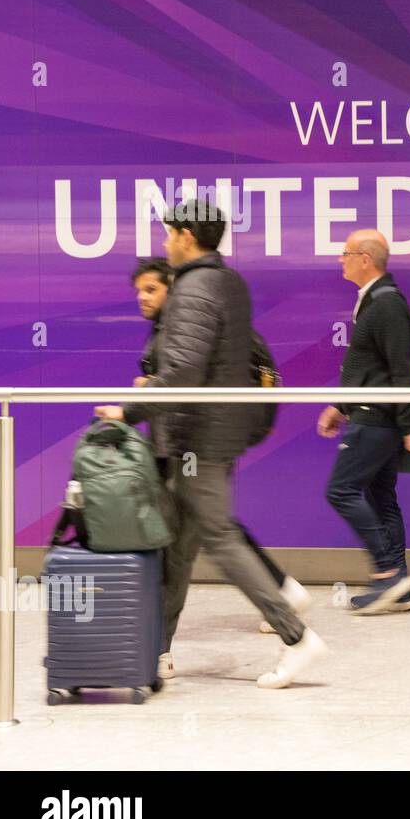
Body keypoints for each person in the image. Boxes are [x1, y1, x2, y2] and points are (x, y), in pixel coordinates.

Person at [96, 200, 327, 688]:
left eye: (168, 234)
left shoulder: (194, 289)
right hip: (214, 435)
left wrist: (128, 409)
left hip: (198, 438)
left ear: (185, 235)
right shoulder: (229, 282)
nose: (164, 243)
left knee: (220, 540)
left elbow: (182, 372)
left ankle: (297, 637)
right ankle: (155, 652)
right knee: (179, 550)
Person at [129, 257, 313, 640]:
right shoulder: (170, 329)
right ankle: (158, 649)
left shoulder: (187, 328)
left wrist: (141, 397)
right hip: (180, 447)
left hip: (194, 450)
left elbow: (184, 382)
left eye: (152, 289)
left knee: (207, 534)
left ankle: (290, 619)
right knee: (199, 537)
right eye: (139, 291)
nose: (142, 298)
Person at [319, 229, 410, 614]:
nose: (340, 259)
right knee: (381, 499)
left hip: (377, 418)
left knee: (341, 490)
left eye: (346, 253)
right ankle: (397, 589)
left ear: (365, 259)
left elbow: (400, 371)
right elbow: (374, 367)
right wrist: (342, 405)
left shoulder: (386, 304)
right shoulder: (375, 301)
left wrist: (409, 426)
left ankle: (388, 574)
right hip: (372, 412)